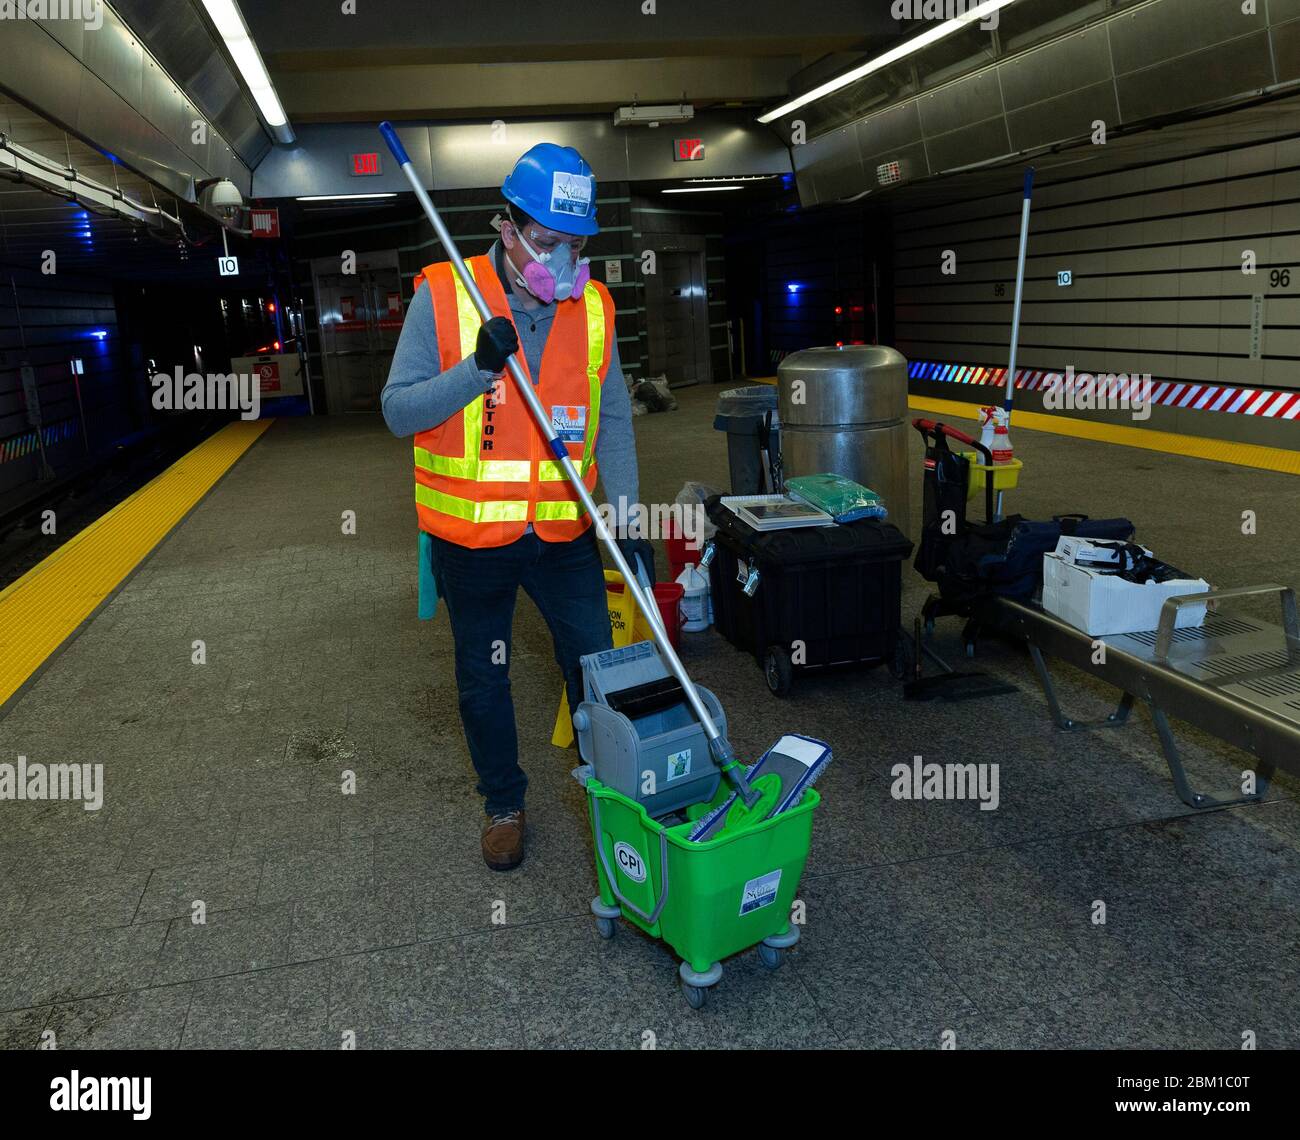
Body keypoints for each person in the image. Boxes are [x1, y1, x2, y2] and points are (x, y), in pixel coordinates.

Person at [381, 142, 654, 871]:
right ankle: (504, 801)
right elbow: (398, 412)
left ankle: (617, 797)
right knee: (484, 677)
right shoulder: (443, 295)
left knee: (598, 668)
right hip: (472, 542)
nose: (561, 262)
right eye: (545, 243)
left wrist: (627, 520)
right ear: (507, 228)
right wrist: (476, 370)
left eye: (576, 245)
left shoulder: (593, 307)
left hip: (564, 531)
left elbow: (616, 417)